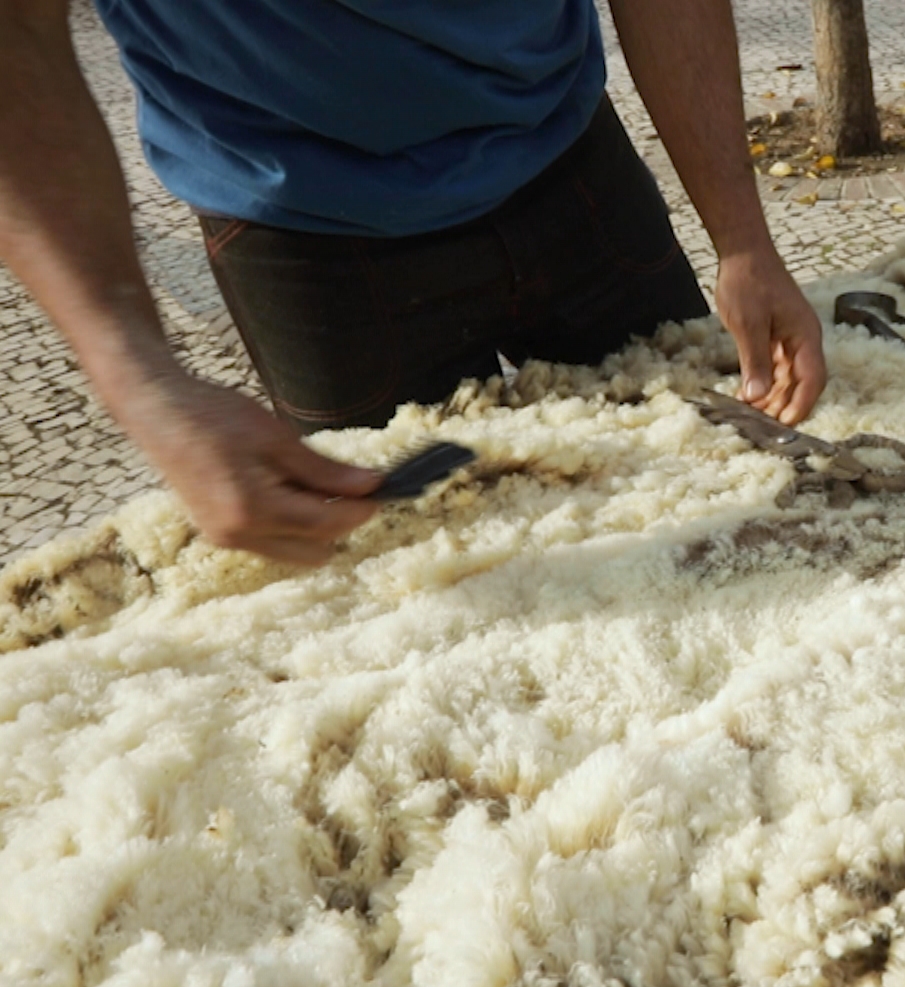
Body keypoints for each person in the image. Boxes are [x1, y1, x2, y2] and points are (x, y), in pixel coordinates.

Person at [0, 0, 828, 565]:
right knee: (421, 576)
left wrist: (743, 239)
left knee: (729, 495)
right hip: (302, 227)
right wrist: (140, 380)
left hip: (566, 150)